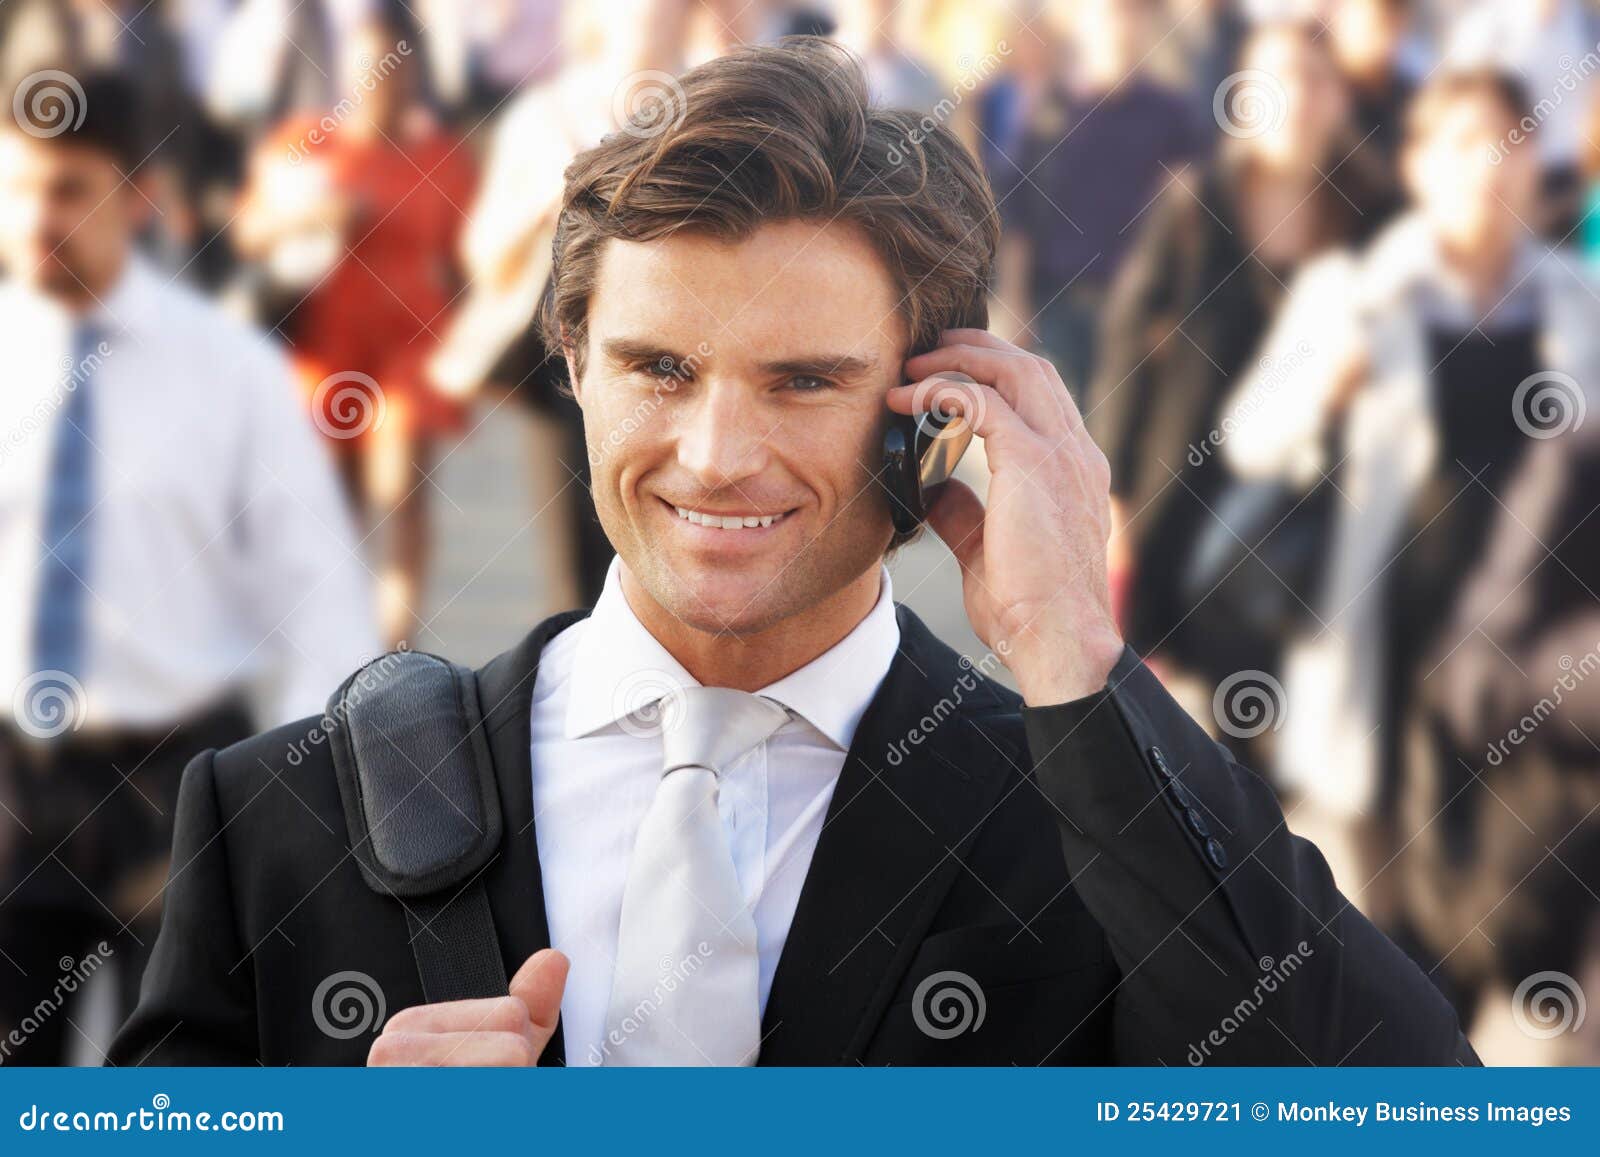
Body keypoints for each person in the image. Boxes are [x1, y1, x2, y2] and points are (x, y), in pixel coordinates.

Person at [110, 38, 1474, 1068]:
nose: (715, 455)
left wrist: (1072, 652)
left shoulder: (1086, 829)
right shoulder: (277, 823)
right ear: (573, 363)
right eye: (658, 367)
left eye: (803, 381)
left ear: (938, 407)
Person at [0, 71, 378, 1064]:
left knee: (171, 1085)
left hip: (181, 785)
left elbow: (319, 596)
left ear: (140, 197)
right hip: (12, 777)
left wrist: (292, 806)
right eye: (20, 185)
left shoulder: (229, 371)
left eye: (72, 188)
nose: (40, 216)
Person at [1223, 69, 1600, 1056]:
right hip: (1379, 649)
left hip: (1518, 667)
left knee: (1518, 921)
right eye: (1461, 144)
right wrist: (1323, 388)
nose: (1486, 168)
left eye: (1506, 143)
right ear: (1418, 166)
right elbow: (1253, 439)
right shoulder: (1356, 291)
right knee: (1375, 941)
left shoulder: (1576, 303)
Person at [1092, 20, 1398, 699]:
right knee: (1180, 701)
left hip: (1319, 499)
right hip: (1185, 481)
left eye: (1314, 80)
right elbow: (1126, 344)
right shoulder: (1197, 205)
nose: (1295, 97)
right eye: (1275, 79)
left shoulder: (1375, 214)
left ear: (1340, 99)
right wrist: (1113, 493)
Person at [234, 5, 475, 646]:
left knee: (399, 488)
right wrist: (316, 216)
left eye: (391, 70)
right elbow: (249, 233)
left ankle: (395, 646)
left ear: (412, 74)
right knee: (330, 505)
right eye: (365, 70)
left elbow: (470, 261)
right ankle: (335, 638)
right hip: (324, 344)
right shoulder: (304, 143)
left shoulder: (444, 158)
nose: (378, 84)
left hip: (413, 344)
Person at [997, 0, 1203, 400]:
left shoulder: (1173, 117)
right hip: (1056, 301)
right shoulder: (1049, 110)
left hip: (1134, 310)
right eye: (1110, 13)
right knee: (1054, 435)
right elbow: (1018, 215)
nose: (1121, 28)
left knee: (1111, 440)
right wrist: (1016, 302)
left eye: (1134, 15)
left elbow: (1189, 222)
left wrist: (1173, 310)